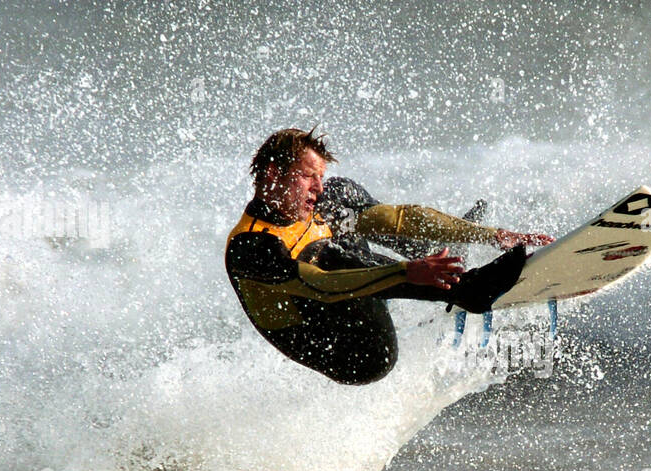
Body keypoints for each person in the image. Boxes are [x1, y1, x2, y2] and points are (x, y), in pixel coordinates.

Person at [225, 127, 554, 384]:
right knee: (325, 255)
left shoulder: (323, 202)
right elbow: (320, 285)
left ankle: (434, 260)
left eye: (319, 177)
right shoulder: (251, 246)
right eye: (309, 177)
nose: (318, 187)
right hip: (353, 353)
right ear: (271, 175)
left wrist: (491, 235)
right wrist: (405, 273)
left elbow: (399, 218)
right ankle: (464, 288)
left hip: (357, 298)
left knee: (344, 195)